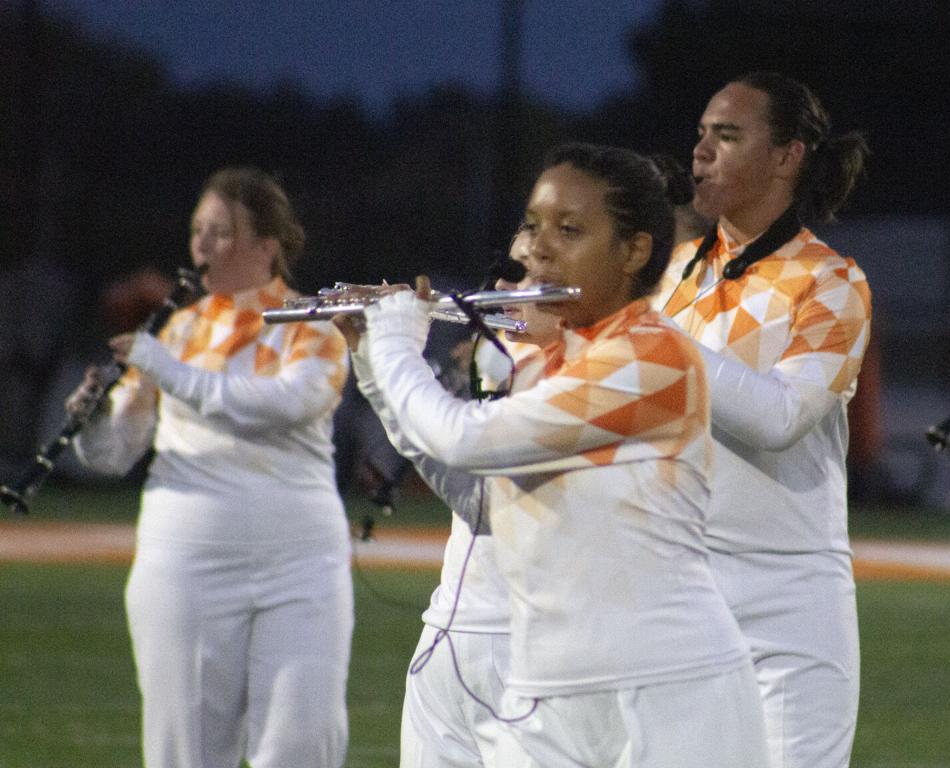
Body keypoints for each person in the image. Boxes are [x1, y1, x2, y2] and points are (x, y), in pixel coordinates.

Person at [360, 142, 768, 767]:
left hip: (668, 691)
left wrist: (394, 341)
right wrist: (373, 360)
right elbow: (477, 494)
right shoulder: (544, 365)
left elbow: (463, 436)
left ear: (634, 251)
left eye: (569, 230)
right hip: (547, 694)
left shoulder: (652, 357)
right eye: (532, 225)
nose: (534, 249)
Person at [69, 167, 353, 768]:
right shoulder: (175, 329)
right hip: (185, 563)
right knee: (186, 752)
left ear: (266, 246)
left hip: (299, 566)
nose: (201, 245)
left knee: (302, 743)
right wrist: (92, 421)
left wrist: (165, 369)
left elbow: (282, 407)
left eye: (220, 232)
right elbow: (114, 453)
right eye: (198, 230)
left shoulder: (314, 323)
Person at [651, 72, 871, 768]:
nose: (700, 152)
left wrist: (643, 335)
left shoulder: (832, 282)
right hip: (675, 586)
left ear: (786, 156)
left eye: (727, 135)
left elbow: (780, 418)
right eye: (701, 135)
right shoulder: (670, 272)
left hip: (788, 598)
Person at [336, 232, 559, 768]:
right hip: (448, 640)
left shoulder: (588, 379)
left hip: (531, 658)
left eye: (529, 271)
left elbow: (483, 504)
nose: (502, 285)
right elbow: (436, 453)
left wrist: (396, 353)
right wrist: (373, 358)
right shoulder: (504, 361)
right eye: (506, 266)